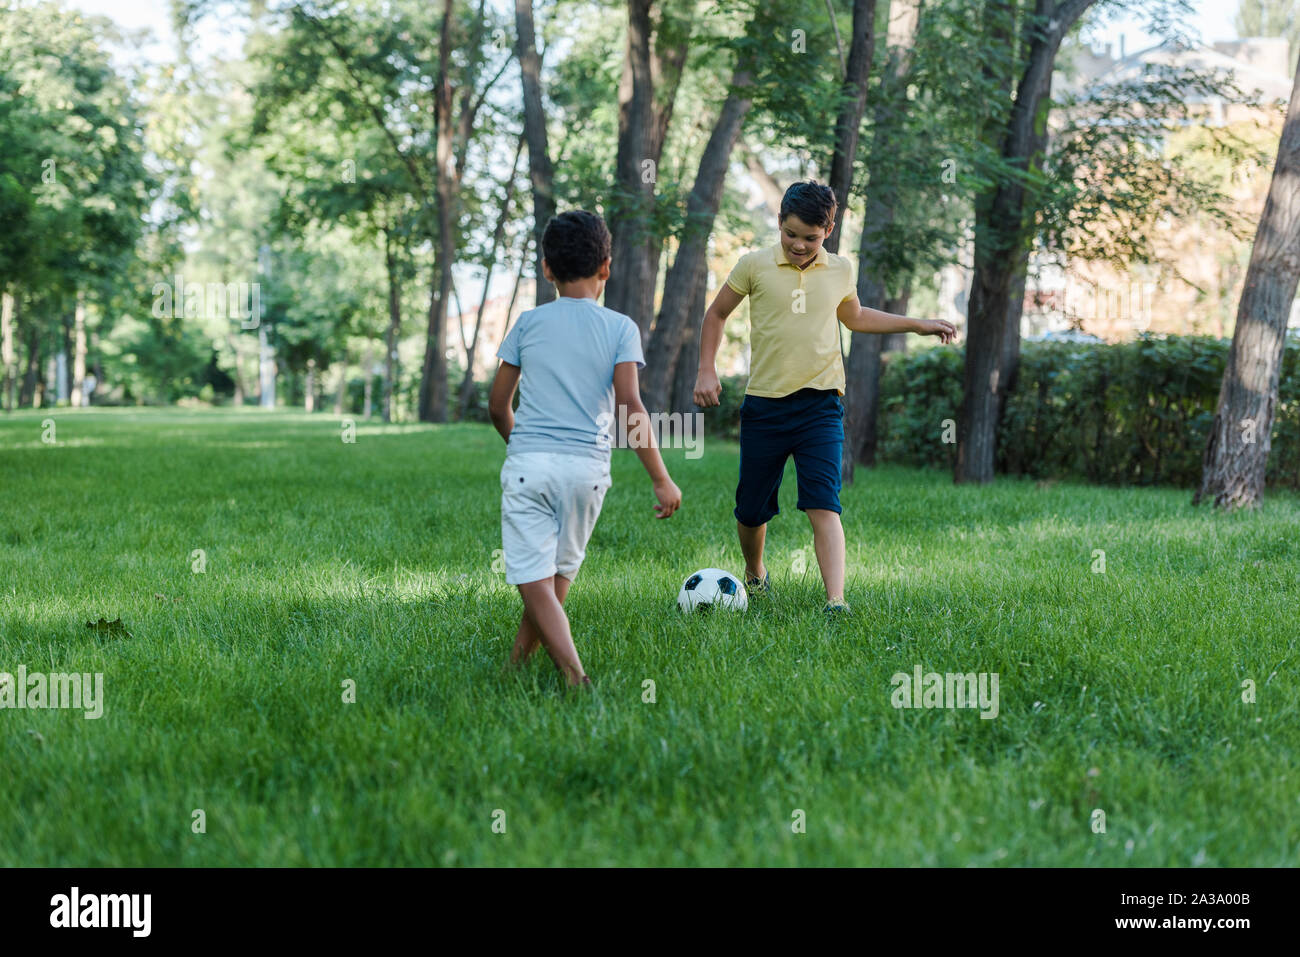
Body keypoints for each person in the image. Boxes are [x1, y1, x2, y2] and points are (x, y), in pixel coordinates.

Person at [692, 181, 956, 616]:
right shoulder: (753, 265)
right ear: (779, 222)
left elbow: (854, 317)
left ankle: (836, 601)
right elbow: (716, 314)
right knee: (751, 508)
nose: (799, 244)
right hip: (765, 405)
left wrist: (917, 324)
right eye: (791, 233)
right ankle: (756, 571)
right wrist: (707, 368)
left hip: (821, 405)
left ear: (829, 229)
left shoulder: (839, 270)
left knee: (824, 502)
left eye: (810, 237)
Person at [488, 210, 682, 688]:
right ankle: (515, 667)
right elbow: (630, 405)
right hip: (586, 473)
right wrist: (660, 476)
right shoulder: (620, 328)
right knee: (553, 582)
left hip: (529, 467)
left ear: (547, 268)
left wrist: (525, 447)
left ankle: (574, 675)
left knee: (535, 581)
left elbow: (497, 405)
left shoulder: (528, 323)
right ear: (606, 268)